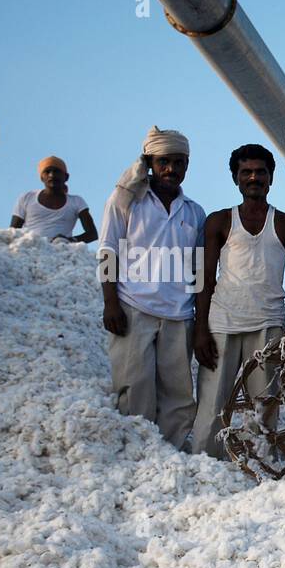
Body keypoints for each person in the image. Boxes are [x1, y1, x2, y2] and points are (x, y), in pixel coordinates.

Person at [191, 144, 285, 458]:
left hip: (269, 324)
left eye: (260, 172)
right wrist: (200, 329)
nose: (253, 178)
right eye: (246, 173)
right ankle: (203, 463)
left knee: (265, 404)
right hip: (223, 323)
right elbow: (204, 279)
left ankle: (260, 464)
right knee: (212, 402)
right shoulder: (219, 221)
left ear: (271, 179)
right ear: (235, 179)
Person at [98, 126, 206, 449]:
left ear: (187, 165)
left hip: (179, 314)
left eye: (179, 162)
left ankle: (167, 456)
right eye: (164, 162)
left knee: (178, 394)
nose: (172, 169)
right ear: (150, 163)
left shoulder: (194, 212)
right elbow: (108, 252)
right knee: (134, 388)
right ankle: (135, 455)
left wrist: (199, 319)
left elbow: (199, 270)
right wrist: (110, 304)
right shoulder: (126, 201)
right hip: (133, 308)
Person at [11, 156, 96, 243]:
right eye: (47, 172)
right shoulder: (27, 198)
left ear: (66, 177)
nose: (51, 175)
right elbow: (12, 232)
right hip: (31, 251)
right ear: (42, 177)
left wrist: (69, 241)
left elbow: (92, 234)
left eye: (56, 171)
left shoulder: (77, 202)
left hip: (61, 252)